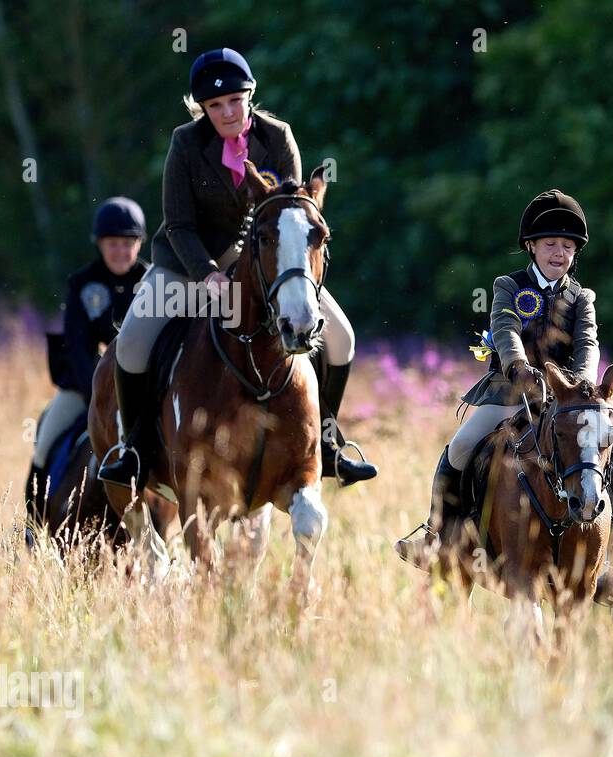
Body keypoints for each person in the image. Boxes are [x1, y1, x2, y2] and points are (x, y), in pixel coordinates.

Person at [97, 47, 376, 490]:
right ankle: (134, 449)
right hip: (186, 264)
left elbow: (293, 213)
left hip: (268, 264)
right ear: (202, 108)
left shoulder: (279, 137)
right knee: (131, 345)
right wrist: (208, 274)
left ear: (250, 96)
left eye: (235, 101)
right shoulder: (185, 144)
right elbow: (179, 225)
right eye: (214, 106)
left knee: (342, 338)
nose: (227, 112)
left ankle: (328, 443)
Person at [397, 189, 613, 587]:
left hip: (569, 399)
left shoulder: (583, 298)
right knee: (460, 446)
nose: (559, 253)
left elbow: (588, 344)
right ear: (531, 246)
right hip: (511, 394)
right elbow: (505, 331)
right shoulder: (508, 285)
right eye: (550, 244)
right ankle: (441, 537)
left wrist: (577, 383)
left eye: (567, 246)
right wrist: (519, 368)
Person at [26, 197, 148, 525]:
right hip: (86, 389)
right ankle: (32, 525)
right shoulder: (82, 284)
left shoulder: (153, 283)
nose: (120, 251)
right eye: (112, 244)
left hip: (141, 391)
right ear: (100, 244)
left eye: (127, 243)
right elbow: (77, 346)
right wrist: (98, 388)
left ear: (138, 244)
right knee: (44, 442)